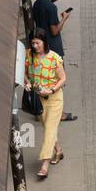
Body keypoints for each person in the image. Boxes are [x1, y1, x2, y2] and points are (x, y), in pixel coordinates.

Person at [32, 0, 77, 121]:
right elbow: (55, 31)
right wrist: (64, 19)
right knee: (58, 81)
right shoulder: (51, 8)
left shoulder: (37, 3)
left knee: (43, 79)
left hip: (40, 46)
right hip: (53, 48)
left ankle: (40, 110)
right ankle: (58, 114)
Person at [24, 31, 66, 180]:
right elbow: (24, 72)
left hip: (54, 98)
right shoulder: (29, 55)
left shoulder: (54, 58)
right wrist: (27, 83)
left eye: (38, 43)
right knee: (49, 128)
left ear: (44, 42)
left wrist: (52, 89)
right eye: (33, 43)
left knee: (49, 130)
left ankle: (44, 165)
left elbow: (63, 78)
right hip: (38, 100)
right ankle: (58, 151)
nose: (35, 46)